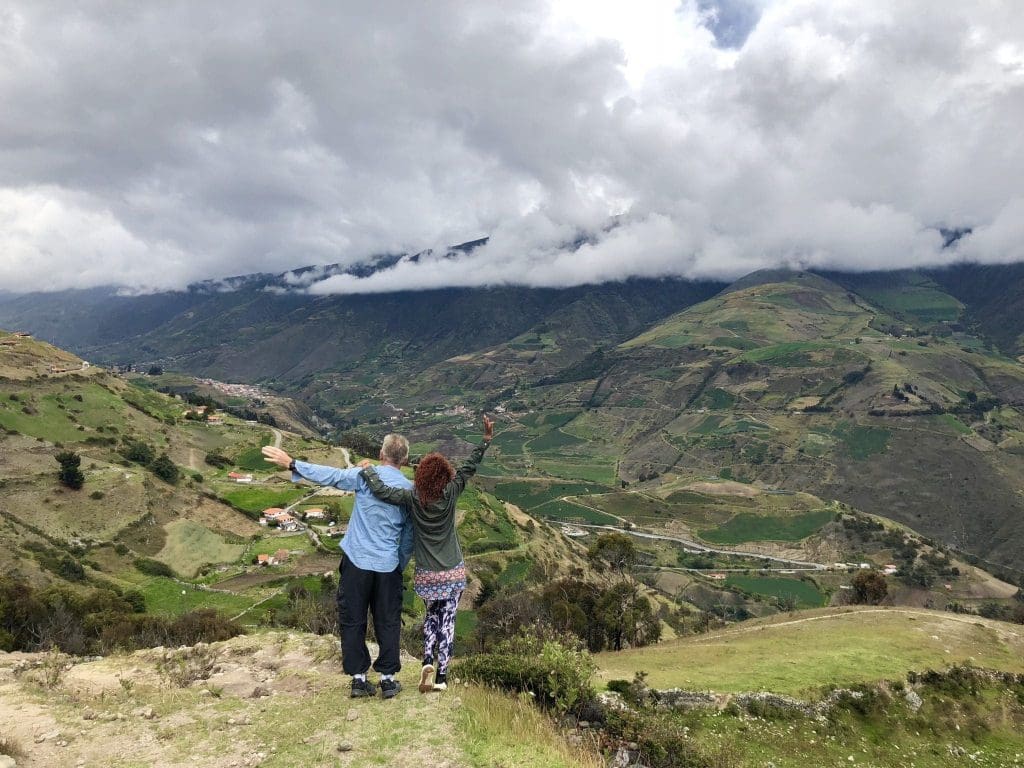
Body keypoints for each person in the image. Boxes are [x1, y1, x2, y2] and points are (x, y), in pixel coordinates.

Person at [261, 435, 413, 699]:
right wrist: (398, 563)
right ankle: (388, 680)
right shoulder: (410, 490)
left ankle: (359, 679)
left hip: (356, 562)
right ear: (406, 460)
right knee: (388, 621)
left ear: (381, 453)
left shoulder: (365, 476)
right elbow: (410, 535)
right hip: (388, 565)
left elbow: (330, 475)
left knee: (353, 618)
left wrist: (293, 464)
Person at [360, 415, 493, 693]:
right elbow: (469, 468)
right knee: (449, 620)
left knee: (431, 617)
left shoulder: (412, 497)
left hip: (427, 575)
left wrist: (369, 471)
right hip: (453, 570)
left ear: (420, 476)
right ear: (445, 475)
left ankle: (427, 660)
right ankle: (442, 676)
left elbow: (383, 492)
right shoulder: (452, 493)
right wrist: (485, 440)